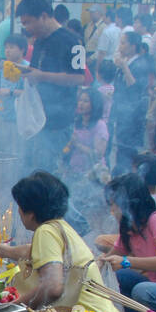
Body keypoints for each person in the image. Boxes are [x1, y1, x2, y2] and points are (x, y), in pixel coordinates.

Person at [0, 171, 125, 312]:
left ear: (31, 213)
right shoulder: (61, 227)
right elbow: (33, 252)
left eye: (20, 207)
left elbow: (52, 287)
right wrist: (6, 251)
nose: (19, 213)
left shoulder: (46, 231)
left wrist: (15, 307)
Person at [95, 172, 156, 312]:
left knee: (135, 285)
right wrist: (96, 265)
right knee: (120, 278)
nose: (112, 209)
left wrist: (126, 262)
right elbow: (112, 255)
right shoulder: (130, 228)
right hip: (152, 288)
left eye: (114, 204)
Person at [16, 0, 87, 175]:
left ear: (44, 16)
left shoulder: (73, 41)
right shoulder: (39, 41)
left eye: (29, 22)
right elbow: (36, 71)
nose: (28, 28)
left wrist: (42, 76)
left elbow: (79, 78)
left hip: (58, 122)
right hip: (38, 118)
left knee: (47, 175)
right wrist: (22, 70)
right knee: (33, 171)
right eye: (24, 24)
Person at [65, 87, 110, 235]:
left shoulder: (99, 125)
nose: (81, 104)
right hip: (74, 173)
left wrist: (77, 144)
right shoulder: (76, 122)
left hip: (92, 177)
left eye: (85, 101)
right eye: (80, 100)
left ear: (94, 104)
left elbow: (98, 154)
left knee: (89, 214)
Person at [109, 30, 153, 171]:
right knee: (119, 148)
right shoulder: (126, 62)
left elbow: (135, 89)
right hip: (121, 112)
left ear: (133, 46)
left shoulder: (140, 64)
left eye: (123, 43)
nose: (120, 46)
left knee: (128, 152)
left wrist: (124, 67)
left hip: (133, 116)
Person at [0, 33, 27, 158]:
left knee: (17, 156)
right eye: (6, 47)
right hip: (3, 118)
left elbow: (30, 94)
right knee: (3, 155)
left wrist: (10, 92)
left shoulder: (27, 68)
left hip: (19, 121)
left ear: (22, 49)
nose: (7, 51)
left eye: (11, 47)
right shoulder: (3, 69)